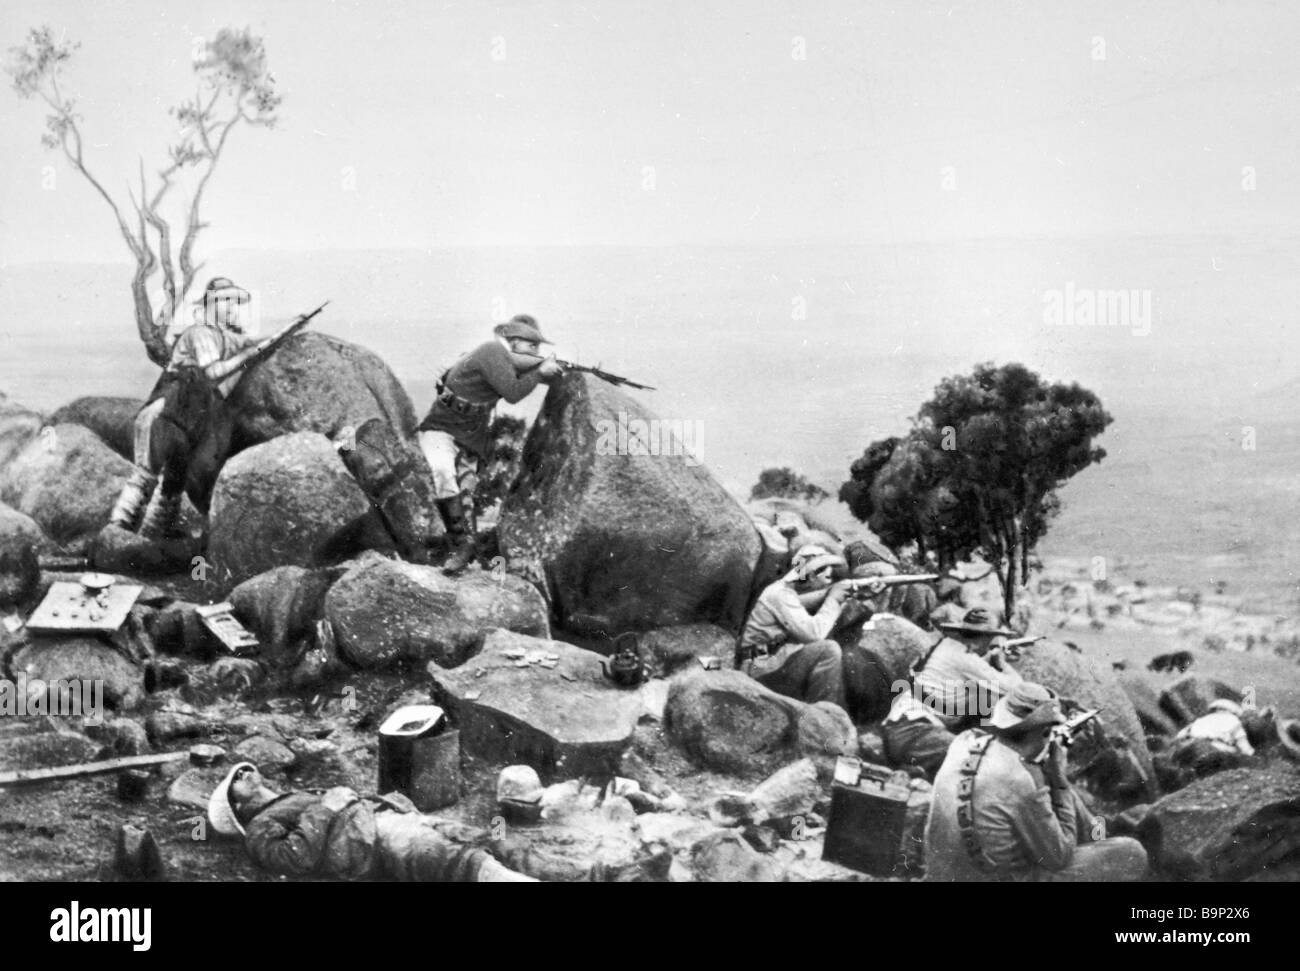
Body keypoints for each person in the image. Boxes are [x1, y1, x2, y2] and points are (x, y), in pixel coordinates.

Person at [925, 681, 1148, 882]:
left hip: (944, 874)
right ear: (1044, 731)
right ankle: (1102, 836)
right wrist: (1059, 781)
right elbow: (1059, 857)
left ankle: (1100, 834)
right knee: (1131, 852)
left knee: (1083, 818)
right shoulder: (1020, 780)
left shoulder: (964, 742)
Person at [108, 277, 259, 539]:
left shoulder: (226, 337)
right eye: (224, 301)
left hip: (187, 418)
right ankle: (118, 529)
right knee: (146, 474)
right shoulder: (199, 334)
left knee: (175, 479)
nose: (230, 307)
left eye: (233, 301)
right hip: (163, 413)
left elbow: (246, 347)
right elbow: (213, 371)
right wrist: (247, 356)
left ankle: (153, 534)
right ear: (210, 305)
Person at [207, 761, 535, 882]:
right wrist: (326, 807)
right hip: (375, 838)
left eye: (244, 768)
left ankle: (576, 873)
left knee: (488, 840)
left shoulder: (286, 799)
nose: (246, 772)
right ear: (237, 807)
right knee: (459, 861)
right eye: (238, 778)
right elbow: (293, 859)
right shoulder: (258, 828)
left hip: (393, 818)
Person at [417, 315, 563, 573]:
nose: (537, 352)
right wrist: (540, 371)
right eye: (533, 347)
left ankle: (470, 555)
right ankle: (461, 546)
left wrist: (555, 372)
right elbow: (513, 392)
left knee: (466, 494)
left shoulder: (506, 359)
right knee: (443, 475)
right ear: (515, 341)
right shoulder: (492, 351)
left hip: (472, 436)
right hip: (441, 427)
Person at [881, 607, 1023, 778]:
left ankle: (919, 771)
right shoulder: (965, 658)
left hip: (908, 729)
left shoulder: (948, 645)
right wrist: (1002, 663)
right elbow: (1017, 688)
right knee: (976, 761)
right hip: (913, 731)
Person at [736, 546, 881, 709]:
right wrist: (834, 599)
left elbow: (808, 600)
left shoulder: (784, 591)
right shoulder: (780, 595)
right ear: (807, 575)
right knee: (828, 650)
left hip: (767, 663)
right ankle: (821, 713)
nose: (829, 573)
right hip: (760, 669)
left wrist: (851, 595)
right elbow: (814, 634)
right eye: (821, 569)